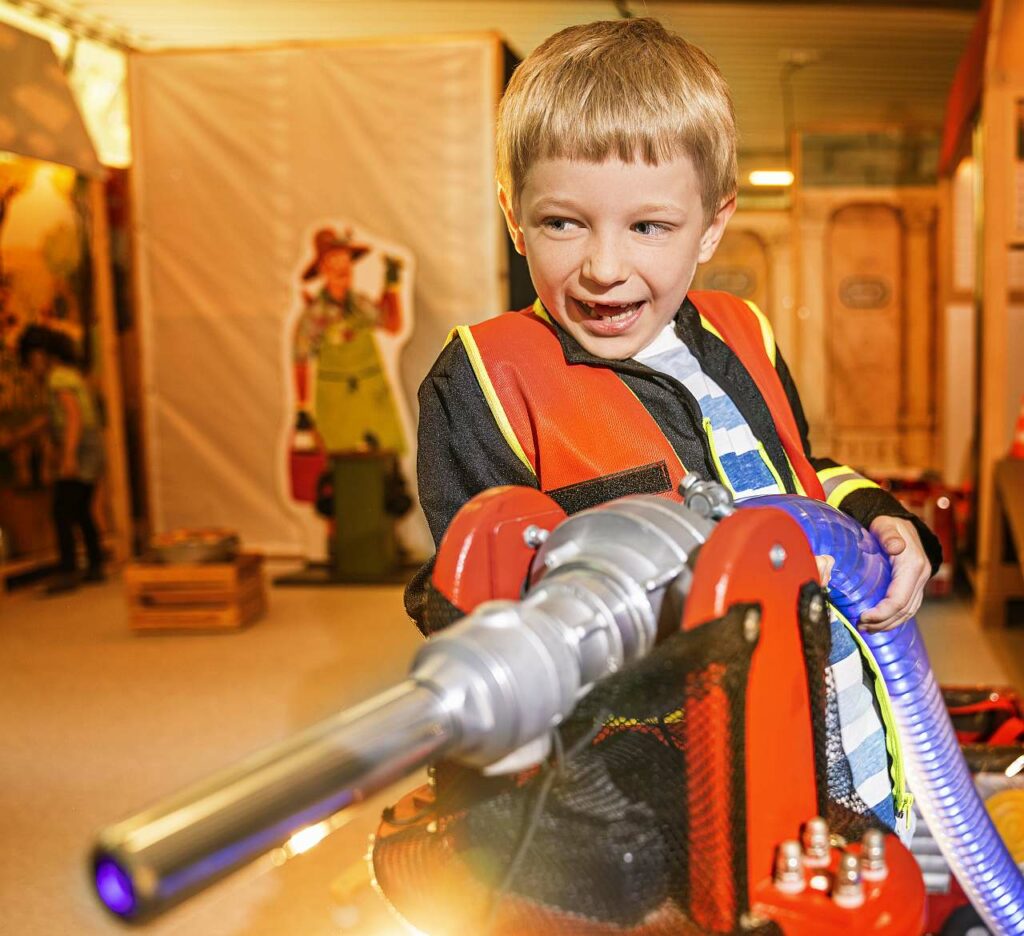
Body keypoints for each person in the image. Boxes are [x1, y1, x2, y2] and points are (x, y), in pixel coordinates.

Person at [407, 18, 943, 836]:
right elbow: (476, 606)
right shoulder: (484, 378)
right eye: (562, 223)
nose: (604, 267)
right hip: (666, 799)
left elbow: (801, 474)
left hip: (842, 726)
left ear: (713, 224)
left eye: (648, 227)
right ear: (514, 216)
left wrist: (879, 516)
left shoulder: (743, 332)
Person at [17, 324, 105, 593]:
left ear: (39, 355)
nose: (31, 368)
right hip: (91, 445)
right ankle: (95, 565)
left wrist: (68, 456)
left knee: (62, 511)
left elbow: (73, 417)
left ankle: (68, 571)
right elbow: (50, 419)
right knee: (81, 509)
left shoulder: (57, 378)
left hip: (81, 447)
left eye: (29, 361)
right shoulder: (68, 374)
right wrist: (19, 436)